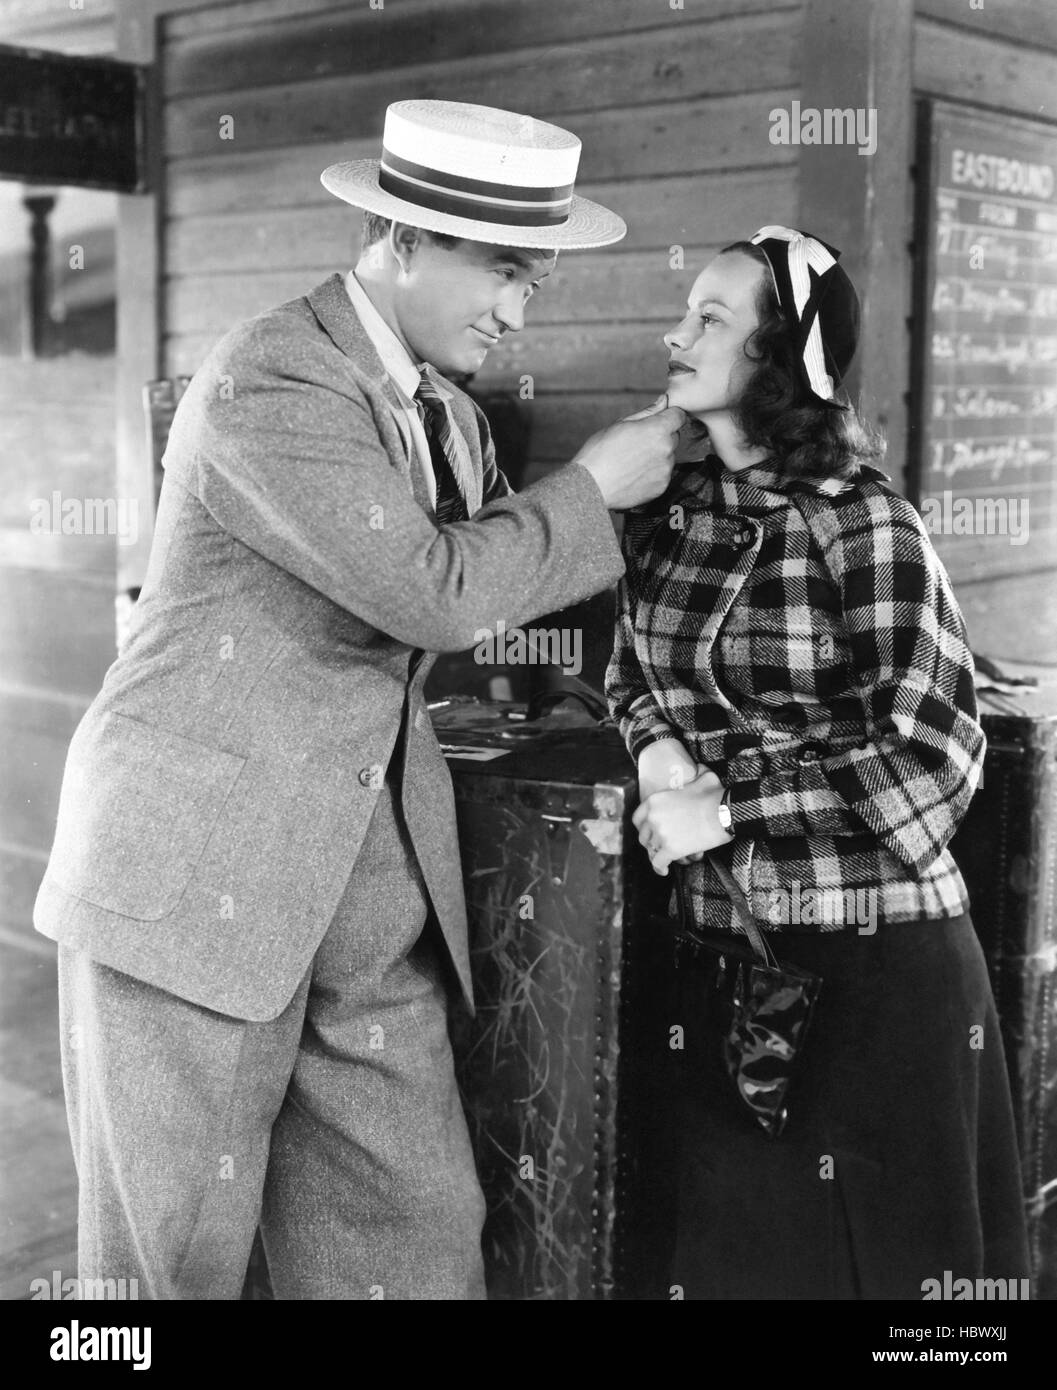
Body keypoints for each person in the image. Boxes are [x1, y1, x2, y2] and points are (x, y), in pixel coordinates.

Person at [33, 98, 684, 1300]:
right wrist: (595, 486)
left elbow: (480, 580)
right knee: (158, 1276)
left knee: (416, 1235)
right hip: (191, 877)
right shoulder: (275, 373)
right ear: (403, 240)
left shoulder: (452, 414)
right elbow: (433, 593)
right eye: (500, 271)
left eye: (532, 282)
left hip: (365, 885)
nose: (516, 309)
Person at [606, 226, 1031, 1299]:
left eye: (711, 316)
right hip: (732, 967)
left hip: (878, 975)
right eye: (685, 310)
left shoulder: (864, 519)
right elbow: (630, 674)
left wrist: (732, 806)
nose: (677, 330)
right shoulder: (672, 516)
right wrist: (658, 756)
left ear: (777, 354)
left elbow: (934, 760)